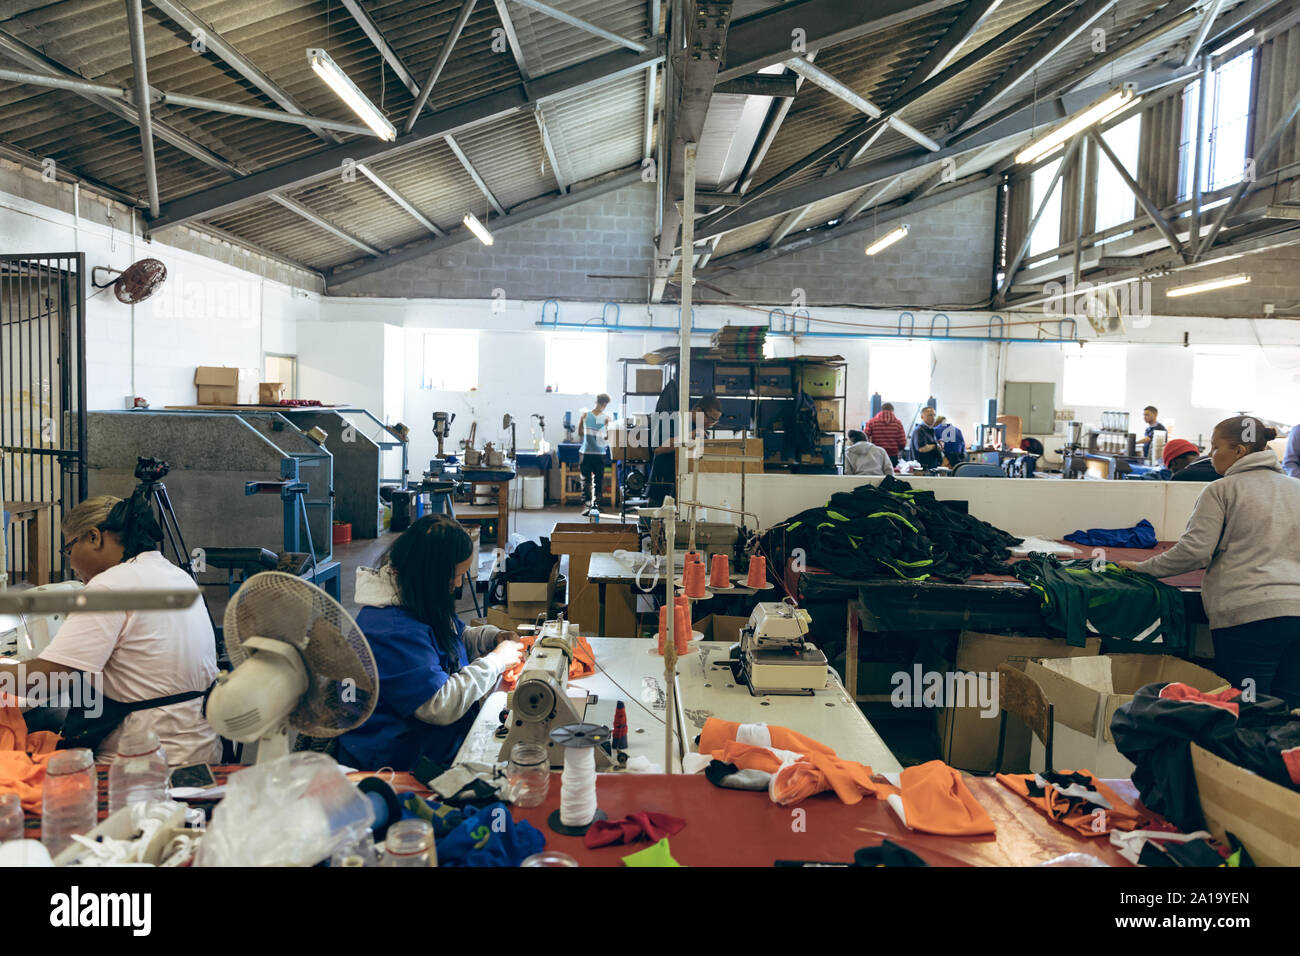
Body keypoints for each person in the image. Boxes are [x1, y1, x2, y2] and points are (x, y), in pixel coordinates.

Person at [0, 493, 221, 765]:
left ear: (94, 537)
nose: (70, 563)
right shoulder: (176, 575)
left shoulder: (110, 586)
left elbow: (49, 679)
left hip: (143, 763)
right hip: (200, 751)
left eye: (69, 550)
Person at [1118, 416, 1300, 710]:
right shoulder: (1297, 489)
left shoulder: (1222, 490)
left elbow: (1194, 553)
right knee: (1291, 716)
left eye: (1215, 448)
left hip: (1250, 621)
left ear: (1239, 451)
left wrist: (1143, 567)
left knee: (1247, 711)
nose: (1209, 455)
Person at [338, 515, 524, 769]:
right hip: (396, 758)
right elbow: (439, 704)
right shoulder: (391, 629)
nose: (458, 584)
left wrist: (491, 637)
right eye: (454, 576)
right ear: (430, 574)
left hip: (425, 739)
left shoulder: (416, 597)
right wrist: (496, 661)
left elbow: (451, 638)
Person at [646, 393, 723, 508]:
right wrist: (690, 435)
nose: (711, 424)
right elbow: (658, 448)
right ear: (698, 410)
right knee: (656, 522)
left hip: (684, 485)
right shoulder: (671, 419)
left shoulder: (699, 428)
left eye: (715, 421)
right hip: (663, 484)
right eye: (710, 418)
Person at [577, 393, 612, 510]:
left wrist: (589, 434)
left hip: (586, 452)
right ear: (604, 404)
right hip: (600, 454)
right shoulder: (607, 418)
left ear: (596, 402)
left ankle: (587, 505)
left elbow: (580, 432)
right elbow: (607, 437)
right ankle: (596, 505)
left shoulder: (585, 415)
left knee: (585, 480)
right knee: (598, 480)